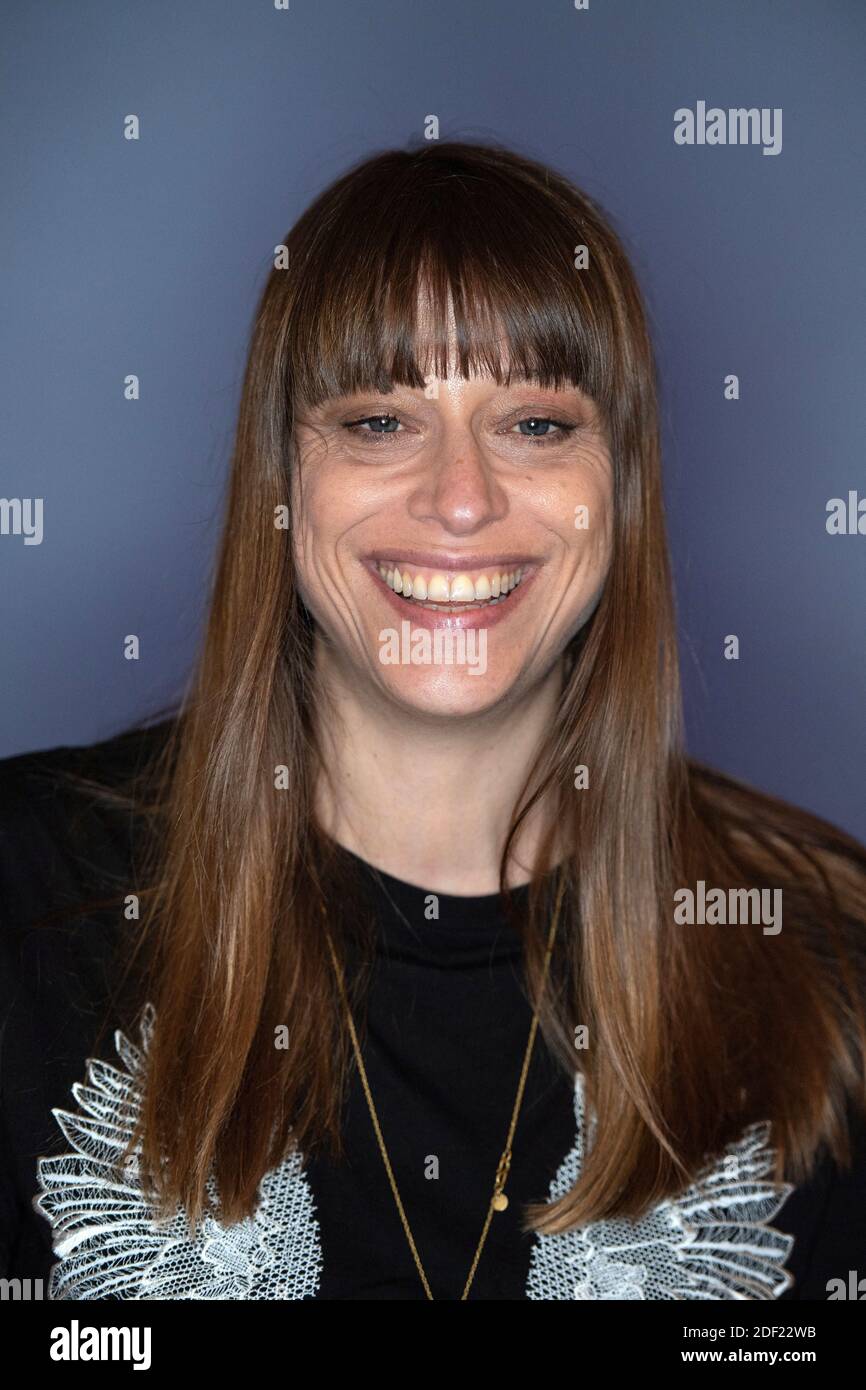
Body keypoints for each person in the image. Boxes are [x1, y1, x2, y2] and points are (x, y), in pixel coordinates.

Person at [2, 140, 865, 1302]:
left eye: (537, 425)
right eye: (376, 423)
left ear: (620, 483)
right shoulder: (26, 890)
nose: (459, 498)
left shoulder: (821, 959)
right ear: (280, 477)